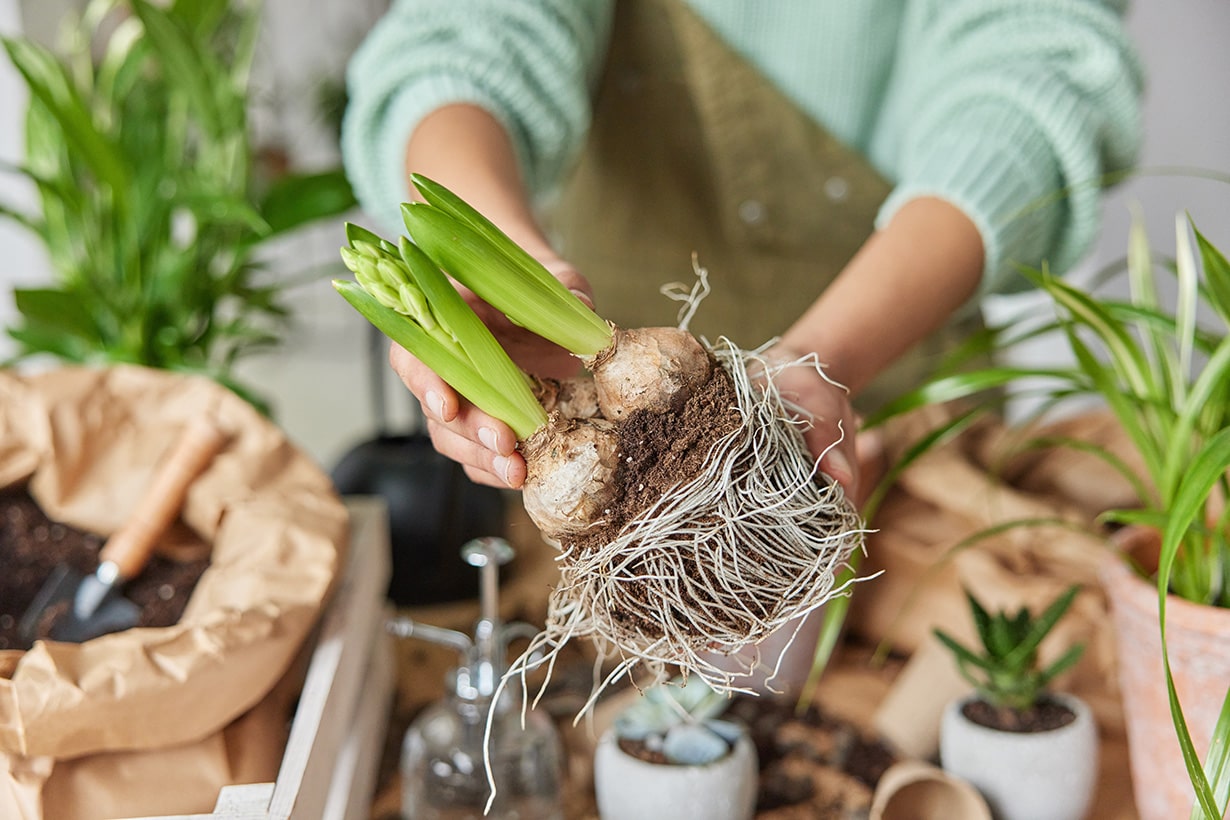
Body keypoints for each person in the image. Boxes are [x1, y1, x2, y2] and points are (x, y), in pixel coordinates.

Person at [340, 0, 1143, 505]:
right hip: (602, 453)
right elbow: (466, 36)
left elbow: (1035, 71)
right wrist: (508, 283)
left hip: (908, 429)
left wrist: (816, 364)